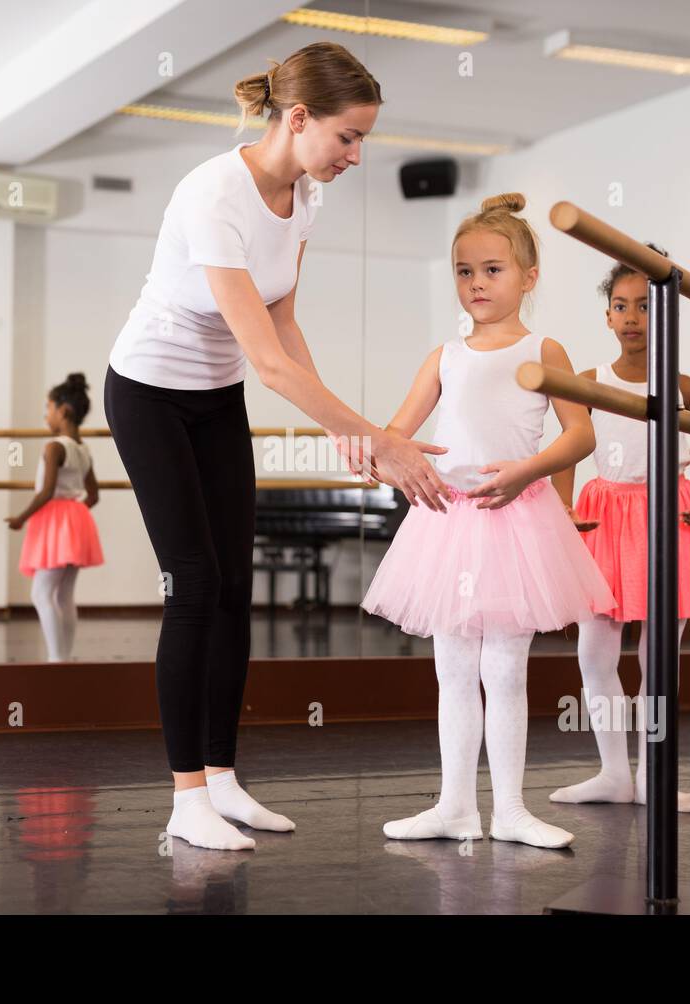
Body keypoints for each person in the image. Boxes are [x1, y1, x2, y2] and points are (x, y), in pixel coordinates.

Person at [103, 41, 451, 852]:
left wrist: (347, 435)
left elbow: (283, 323)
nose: (356, 156)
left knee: (232, 588)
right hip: (149, 393)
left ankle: (222, 780)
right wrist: (369, 435)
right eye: (347, 137)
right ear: (298, 119)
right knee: (192, 582)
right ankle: (184, 796)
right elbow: (264, 356)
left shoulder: (305, 199)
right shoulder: (212, 193)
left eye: (363, 140)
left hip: (216, 396)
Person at [361, 192, 615, 849]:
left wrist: (530, 471)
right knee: (451, 670)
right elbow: (398, 429)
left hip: (514, 522)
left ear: (529, 278)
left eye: (493, 269)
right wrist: (386, 455)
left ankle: (509, 810)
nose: (476, 283)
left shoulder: (544, 348)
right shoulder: (445, 355)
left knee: (504, 669)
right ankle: (454, 807)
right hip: (449, 524)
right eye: (464, 270)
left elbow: (579, 435)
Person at [549, 247, 690, 813]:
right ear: (607, 316)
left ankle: (654, 774)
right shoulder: (586, 380)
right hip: (605, 516)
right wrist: (562, 510)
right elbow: (568, 455)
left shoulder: (685, 387)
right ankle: (613, 773)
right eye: (620, 306)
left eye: (645, 307)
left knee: (660, 659)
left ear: (666, 314)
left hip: (667, 517)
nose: (632, 318)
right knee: (594, 655)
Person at [7, 373, 104, 663]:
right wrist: (74, 518)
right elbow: (94, 495)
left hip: (54, 522)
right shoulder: (83, 450)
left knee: (41, 594)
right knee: (64, 596)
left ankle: (56, 659)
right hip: (75, 518)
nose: (45, 415)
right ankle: (65, 656)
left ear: (64, 411)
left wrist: (20, 518)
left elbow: (46, 491)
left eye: (48, 408)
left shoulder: (54, 447)